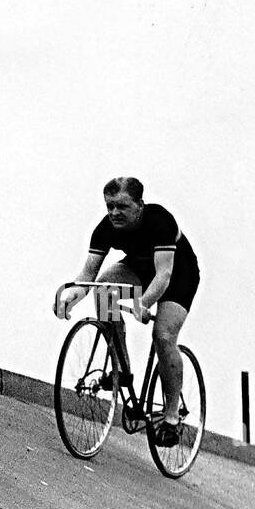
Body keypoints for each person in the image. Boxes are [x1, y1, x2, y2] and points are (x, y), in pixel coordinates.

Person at [55, 177, 201, 446]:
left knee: (163, 336)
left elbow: (164, 275)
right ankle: (122, 368)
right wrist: (71, 296)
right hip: (138, 268)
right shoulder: (106, 228)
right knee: (102, 290)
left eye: (122, 206)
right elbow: (88, 275)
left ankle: (171, 419)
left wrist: (143, 303)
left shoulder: (160, 221)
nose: (114, 213)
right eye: (109, 206)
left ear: (140, 205)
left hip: (177, 276)